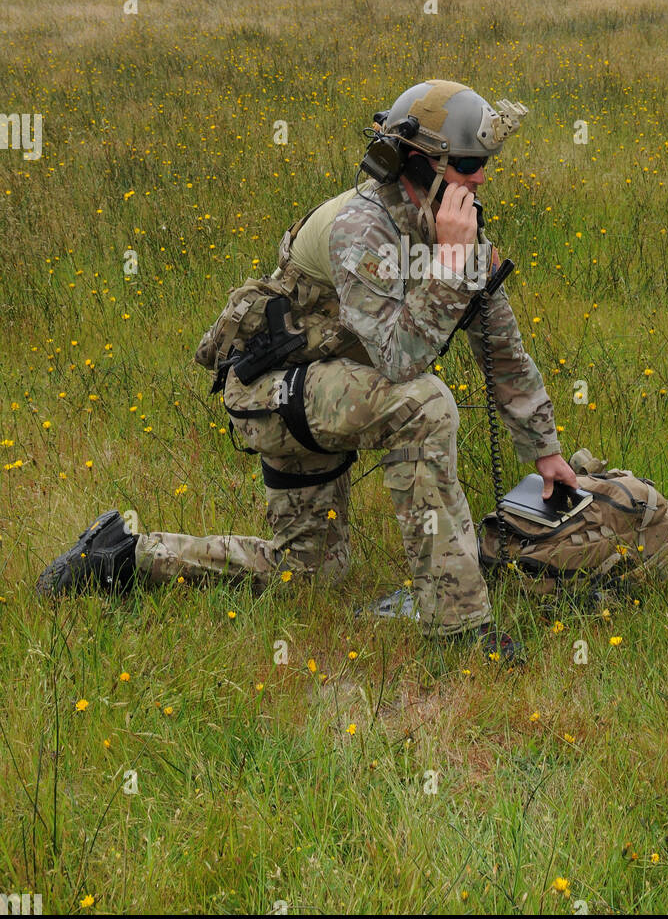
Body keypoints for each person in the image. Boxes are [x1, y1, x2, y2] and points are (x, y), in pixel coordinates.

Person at [36, 80, 579, 659]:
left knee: (306, 577)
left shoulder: (451, 226)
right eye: (468, 164)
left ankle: (124, 556)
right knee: (425, 404)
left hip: (328, 392)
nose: (480, 178)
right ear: (421, 163)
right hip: (273, 397)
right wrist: (448, 263)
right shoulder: (362, 229)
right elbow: (401, 359)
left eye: (485, 164)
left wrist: (544, 451)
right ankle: (459, 626)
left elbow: (498, 341)